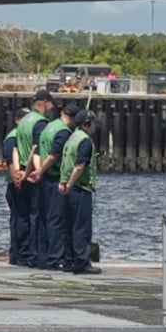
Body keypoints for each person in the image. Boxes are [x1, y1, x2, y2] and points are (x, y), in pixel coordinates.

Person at [5, 90, 56, 267]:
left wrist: (18, 173)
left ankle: (20, 254)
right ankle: (34, 256)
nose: (52, 107)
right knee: (37, 217)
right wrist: (29, 173)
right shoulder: (40, 122)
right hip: (33, 175)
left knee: (21, 217)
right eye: (51, 103)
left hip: (21, 175)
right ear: (44, 102)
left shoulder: (24, 121)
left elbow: (16, 149)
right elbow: (36, 149)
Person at [54, 110, 100, 273]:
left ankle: (69, 261)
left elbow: (65, 163)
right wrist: (71, 184)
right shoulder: (85, 141)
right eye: (94, 123)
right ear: (87, 123)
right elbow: (80, 166)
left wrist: (64, 183)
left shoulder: (71, 138)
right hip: (79, 189)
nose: (95, 127)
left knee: (68, 227)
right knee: (81, 227)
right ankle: (81, 262)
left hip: (65, 188)